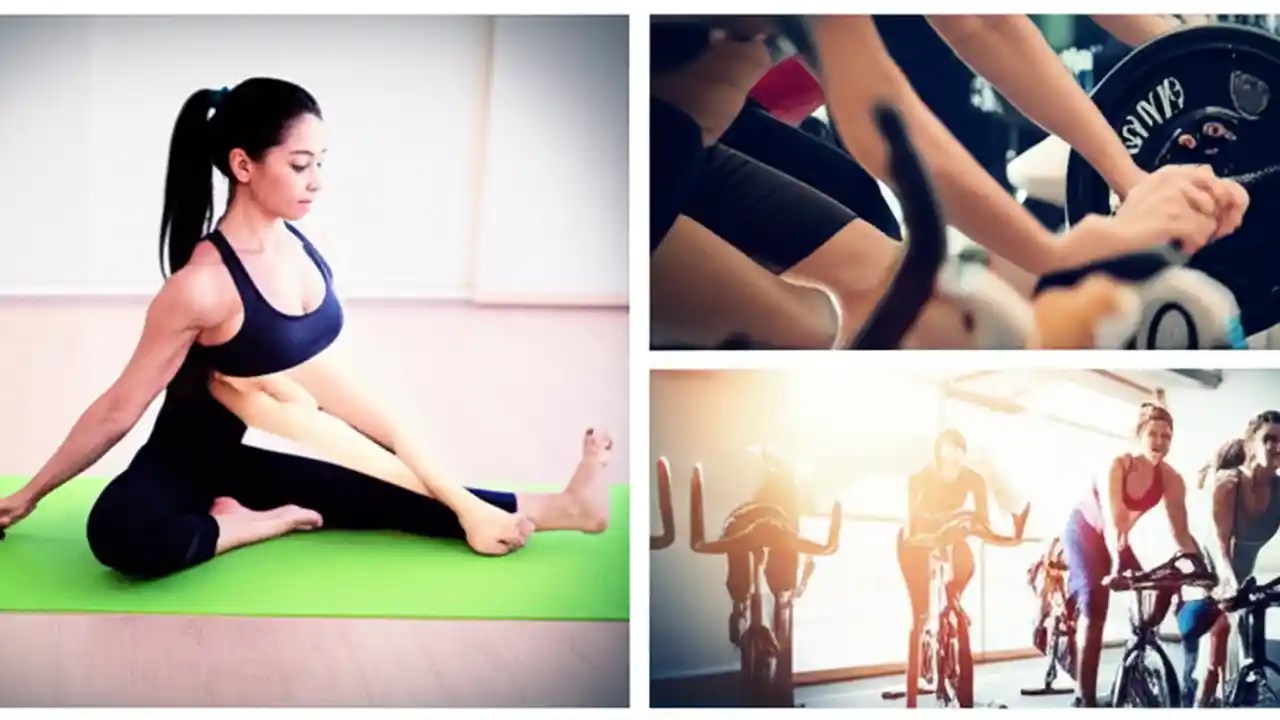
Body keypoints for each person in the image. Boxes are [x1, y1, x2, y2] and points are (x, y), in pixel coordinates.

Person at [0, 77, 613, 578]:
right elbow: (117, 409)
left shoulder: (295, 245)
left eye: (321, 162)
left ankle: (563, 508)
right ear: (242, 164)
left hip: (254, 443)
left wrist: (453, 495)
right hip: (186, 462)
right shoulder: (201, 288)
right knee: (118, 534)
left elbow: (368, 418)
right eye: (299, 164)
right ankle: (253, 521)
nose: (317, 179)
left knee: (378, 489)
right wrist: (30, 494)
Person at [650, 15, 1249, 349]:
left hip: (699, 144)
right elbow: (880, 116)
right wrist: (1051, 252)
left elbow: (985, 23)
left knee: (897, 296)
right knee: (806, 334)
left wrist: (1132, 181)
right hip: (642, 163)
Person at [1059, 399, 1202, 706]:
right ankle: (1085, 700)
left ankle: (1137, 659)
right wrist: (1114, 570)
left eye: (1167, 436)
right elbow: (1114, 524)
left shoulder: (1171, 478)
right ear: (1139, 434)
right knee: (1095, 607)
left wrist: (1200, 567)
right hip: (1086, 531)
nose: (1160, 442)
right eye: (1153, 434)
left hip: (1119, 539)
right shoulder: (1119, 464)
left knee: (1157, 587)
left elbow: (1181, 533)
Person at [896, 429, 1017, 708]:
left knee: (967, 565)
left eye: (960, 450)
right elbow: (912, 526)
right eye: (949, 449)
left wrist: (1005, 533)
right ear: (938, 452)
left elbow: (982, 521)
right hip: (916, 541)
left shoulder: (973, 479)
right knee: (919, 615)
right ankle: (911, 701)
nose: (956, 457)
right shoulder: (920, 479)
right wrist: (948, 522)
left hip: (950, 536)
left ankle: (951, 609)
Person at [1176, 410, 1280, 706]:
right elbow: (1222, 545)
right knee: (1216, 640)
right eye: (1269, 439)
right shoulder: (1228, 482)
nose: (1277, 447)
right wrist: (1227, 585)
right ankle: (1197, 701)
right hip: (1210, 570)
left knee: (1243, 645)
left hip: (1242, 573)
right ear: (1250, 444)